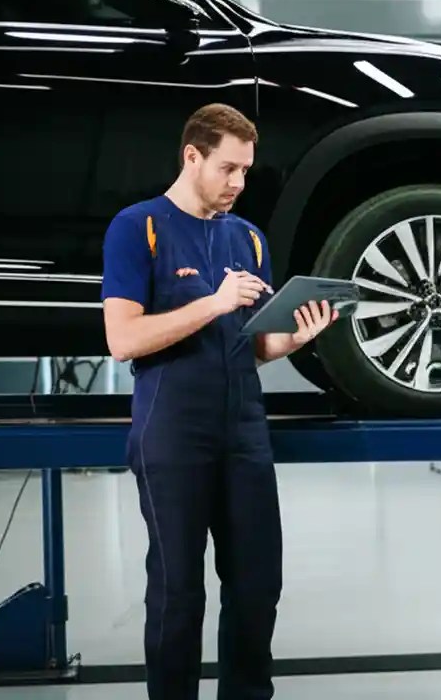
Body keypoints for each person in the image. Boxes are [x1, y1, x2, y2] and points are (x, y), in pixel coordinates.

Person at [99, 103, 337, 700]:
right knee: (179, 590)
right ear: (192, 156)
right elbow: (123, 340)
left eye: (246, 171)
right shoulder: (137, 227)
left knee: (257, 584)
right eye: (228, 168)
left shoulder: (248, 238)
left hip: (243, 429)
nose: (238, 182)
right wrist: (214, 301)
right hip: (173, 428)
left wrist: (294, 337)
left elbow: (252, 346)